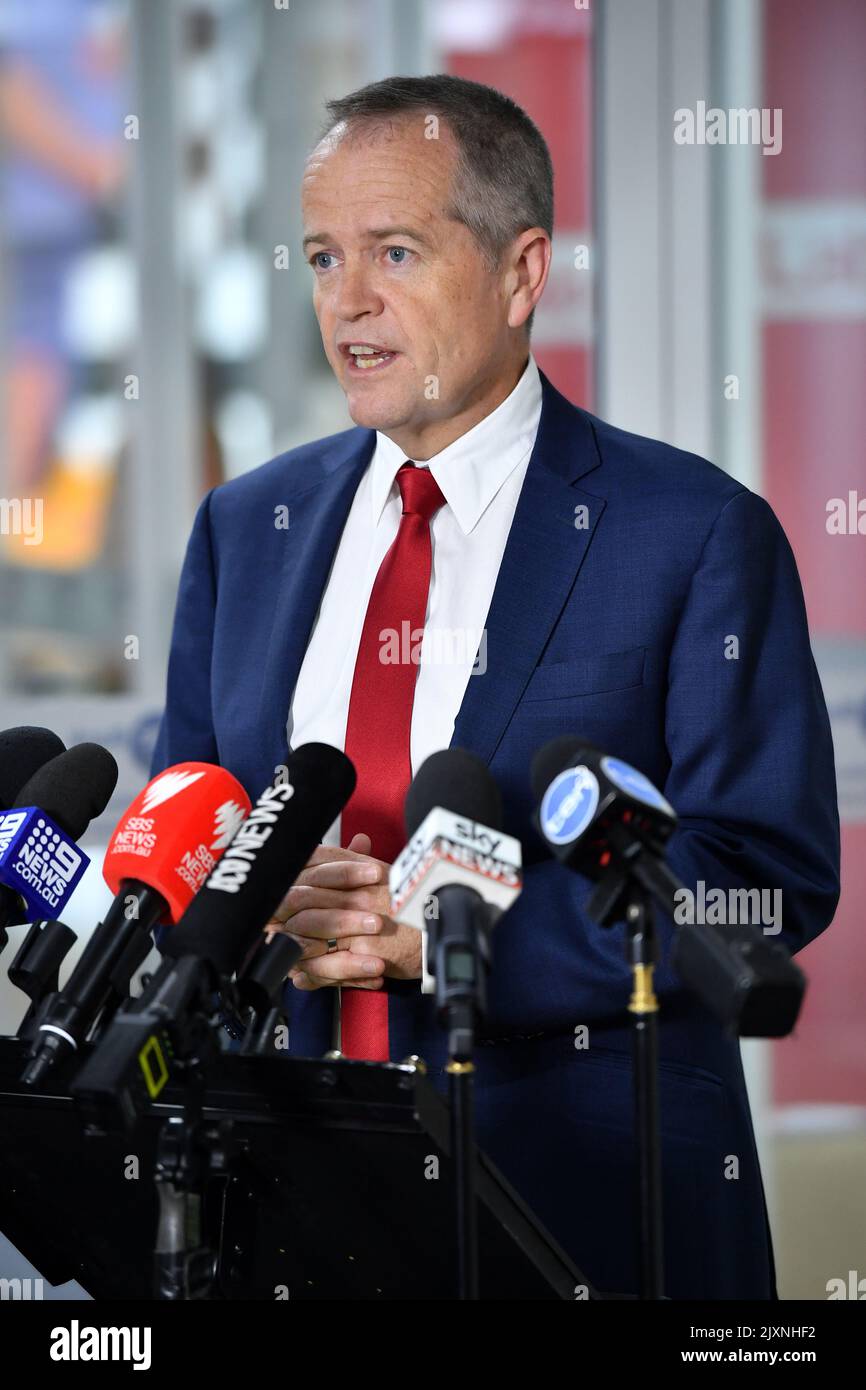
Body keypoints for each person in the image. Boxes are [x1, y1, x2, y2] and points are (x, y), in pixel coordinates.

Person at [152, 74, 839, 1299]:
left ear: (523, 273)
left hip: (579, 1204)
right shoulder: (242, 527)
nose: (346, 302)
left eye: (394, 252)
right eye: (320, 258)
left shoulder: (687, 533)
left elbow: (759, 880)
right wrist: (248, 889)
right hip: (284, 1195)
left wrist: (456, 942)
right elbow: (190, 816)